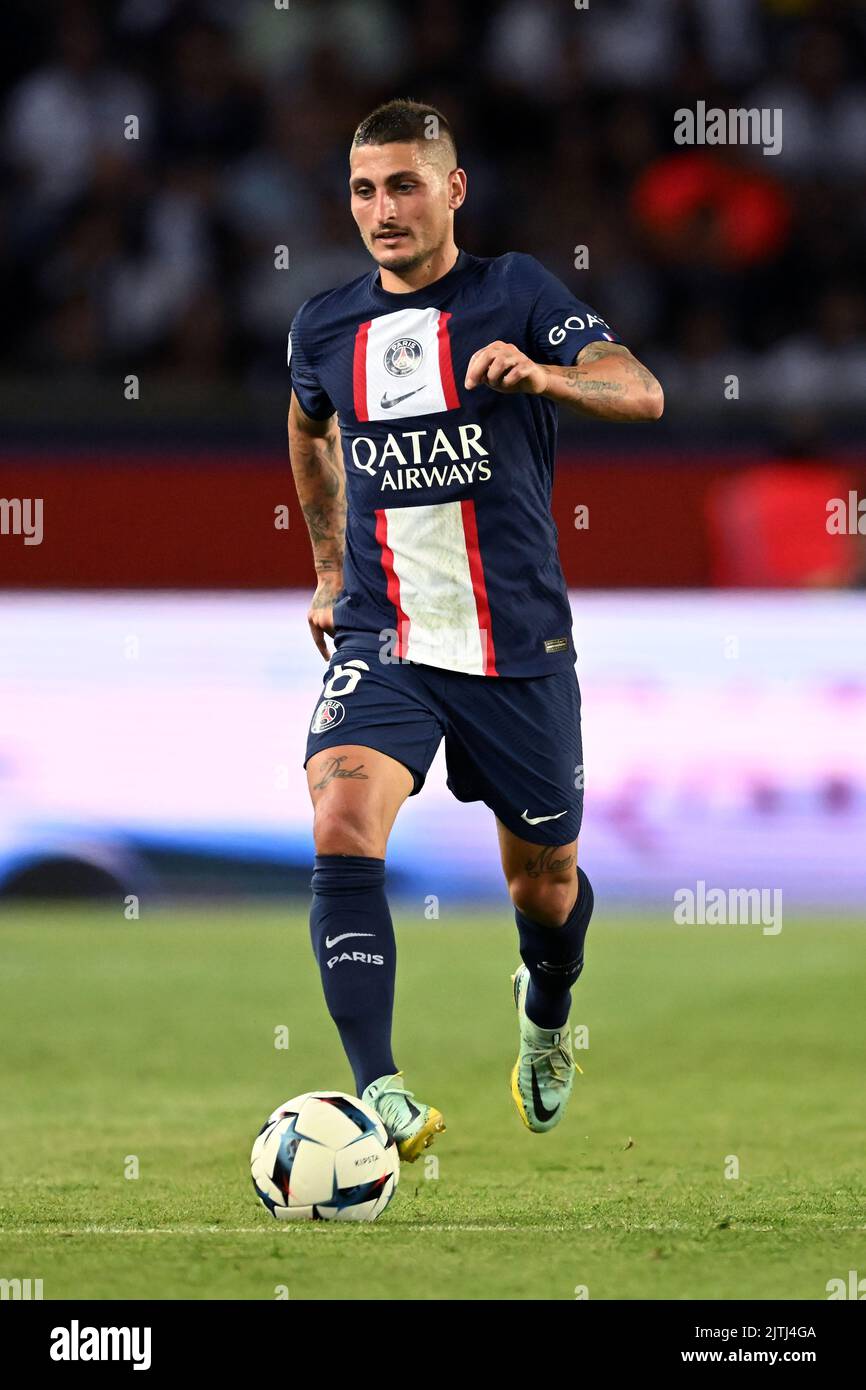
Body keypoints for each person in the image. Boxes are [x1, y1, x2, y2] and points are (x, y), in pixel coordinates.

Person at [288, 99, 663, 1161]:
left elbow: (641, 390)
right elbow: (306, 423)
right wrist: (325, 567)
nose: (381, 208)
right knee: (339, 823)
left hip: (514, 645)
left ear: (453, 189)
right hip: (385, 634)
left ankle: (545, 1004)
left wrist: (548, 376)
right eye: (363, 188)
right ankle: (379, 1094)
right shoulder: (323, 325)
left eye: (404, 184)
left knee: (541, 886)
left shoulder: (516, 293)